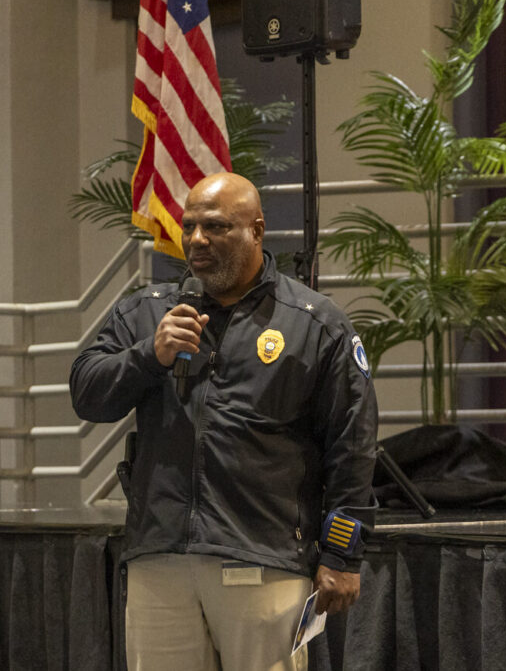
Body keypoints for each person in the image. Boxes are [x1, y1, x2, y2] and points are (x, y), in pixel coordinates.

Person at [69, 172, 378, 671]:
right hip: (160, 555)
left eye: (214, 227)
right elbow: (87, 393)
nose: (196, 240)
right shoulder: (150, 314)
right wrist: (150, 355)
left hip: (262, 558)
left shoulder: (313, 323)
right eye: (189, 226)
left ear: (256, 231)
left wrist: (342, 555)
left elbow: (353, 445)